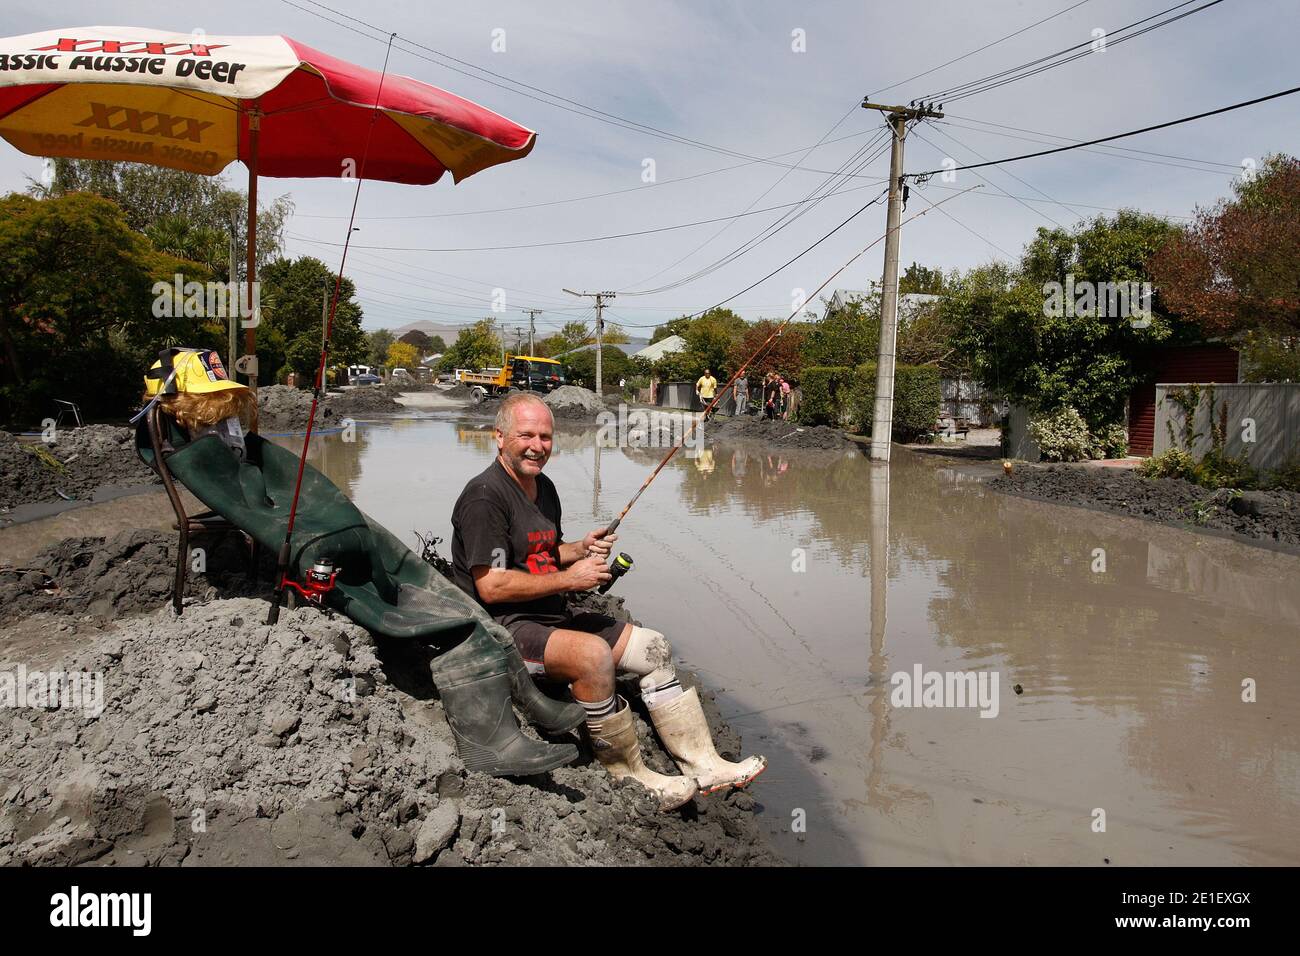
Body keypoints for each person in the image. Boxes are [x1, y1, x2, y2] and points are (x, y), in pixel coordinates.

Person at [451, 393, 766, 810]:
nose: (537, 445)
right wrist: (570, 577)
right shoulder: (485, 496)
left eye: (545, 436)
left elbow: (541, 553)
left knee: (654, 648)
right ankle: (628, 774)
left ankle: (704, 764)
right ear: (499, 437)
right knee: (595, 656)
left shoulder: (542, 487)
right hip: (503, 628)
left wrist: (580, 548)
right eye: (525, 435)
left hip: (550, 614)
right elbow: (491, 585)